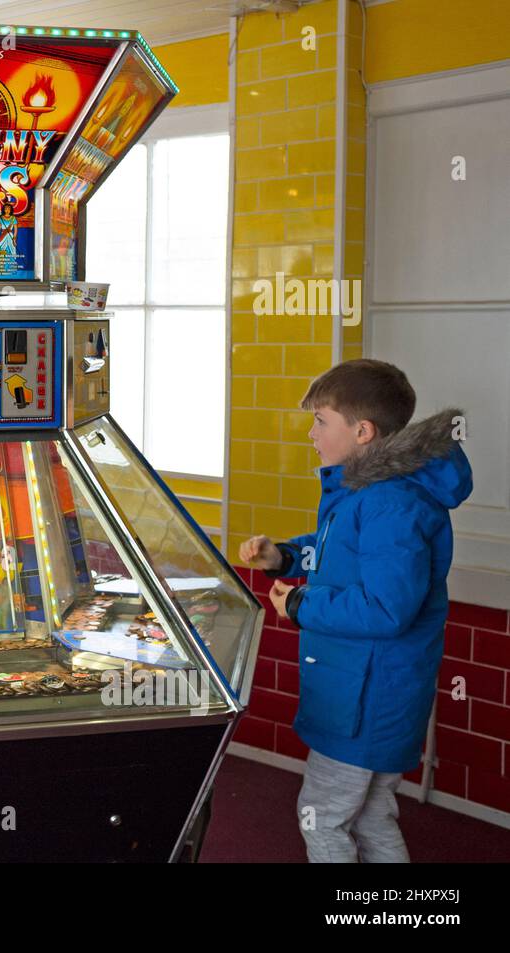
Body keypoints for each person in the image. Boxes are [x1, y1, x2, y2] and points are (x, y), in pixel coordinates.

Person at [240, 359, 472, 864]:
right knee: (370, 815)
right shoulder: (369, 491)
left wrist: (300, 604)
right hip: (366, 692)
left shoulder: (390, 502)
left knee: (322, 815)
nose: (311, 433)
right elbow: (341, 557)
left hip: (368, 700)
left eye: (322, 420)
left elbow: (387, 609)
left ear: (362, 431)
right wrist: (284, 557)